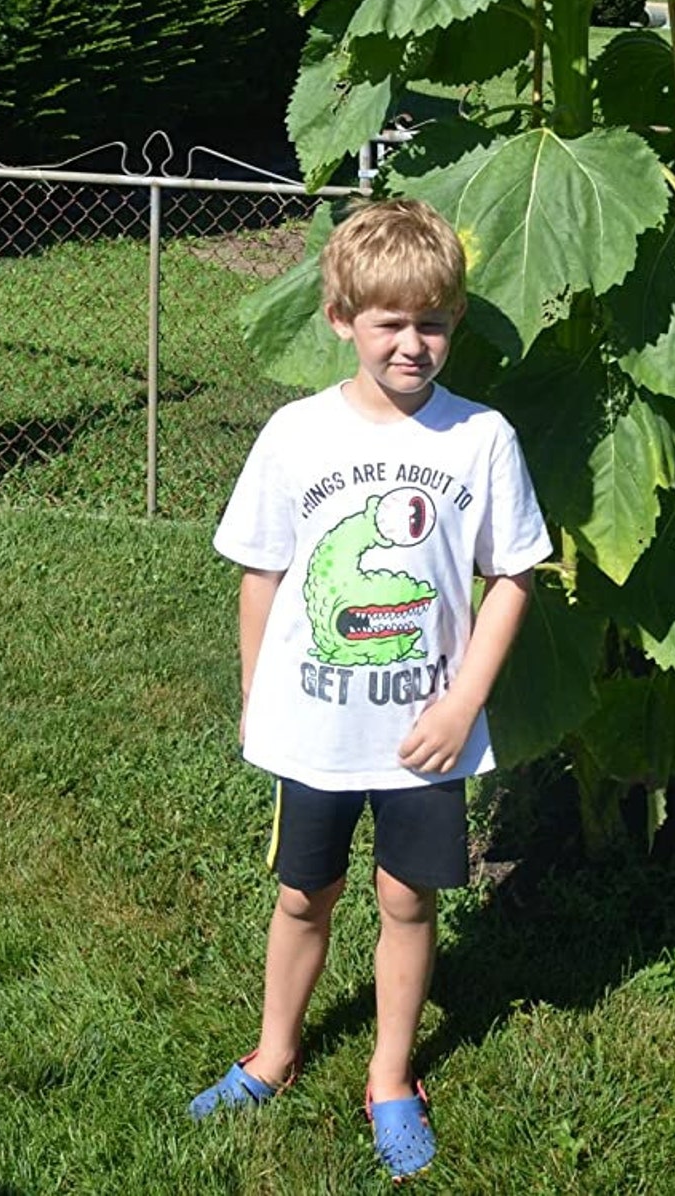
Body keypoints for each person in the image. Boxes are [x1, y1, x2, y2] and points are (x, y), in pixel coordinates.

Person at [191, 197, 550, 1180]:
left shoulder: (480, 437)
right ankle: (273, 1050)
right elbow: (260, 573)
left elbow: (512, 573)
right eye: (388, 320)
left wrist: (463, 700)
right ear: (341, 318)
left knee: (405, 899)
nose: (411, 343)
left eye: (430, 320)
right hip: (315, 727)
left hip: (422, 736)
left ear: (454, 321)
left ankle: (391, 1074)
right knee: (304, 892)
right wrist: (257, 695)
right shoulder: (294, 433)